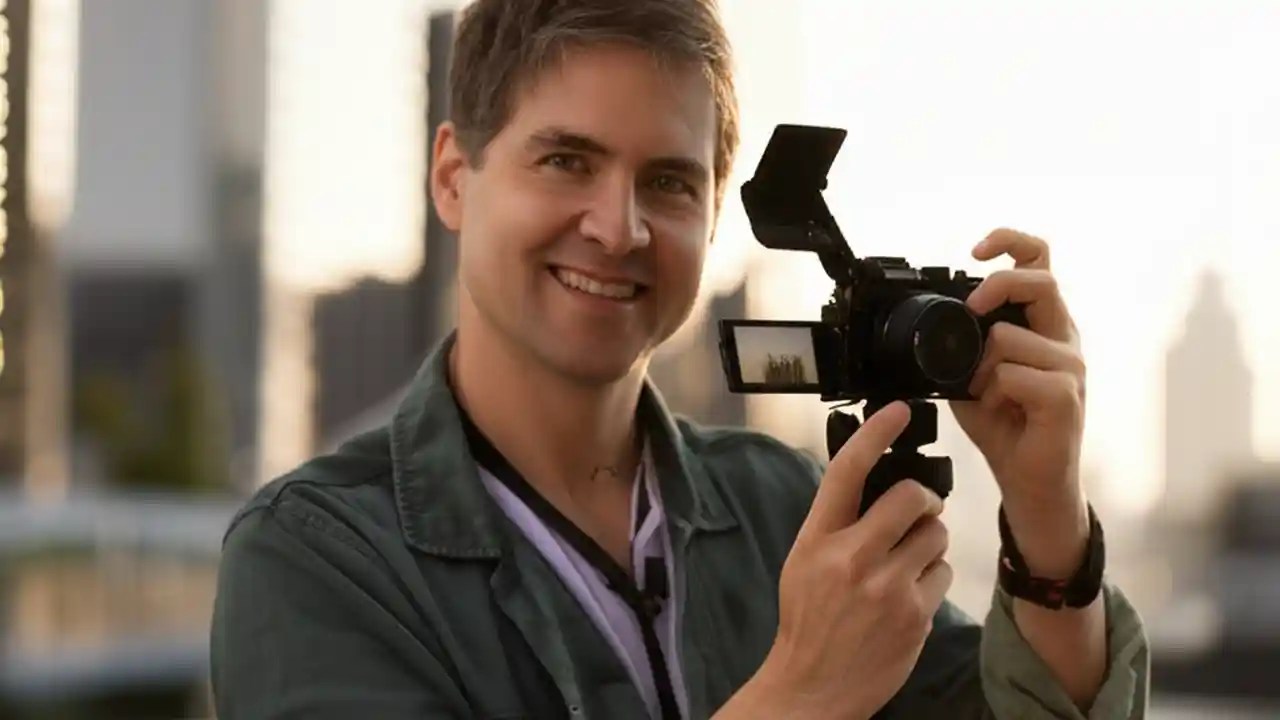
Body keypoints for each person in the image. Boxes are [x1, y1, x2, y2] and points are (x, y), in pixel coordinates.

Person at [210, 0, 1150, 717]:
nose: (618, 229)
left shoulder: (786, 507)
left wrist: (1046, 513)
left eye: (667, 181)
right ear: (455, 178)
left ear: (710, 215)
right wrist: (797, 694)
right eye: (567, 161)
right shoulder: (314, 558)